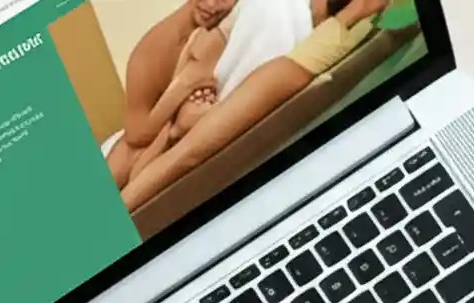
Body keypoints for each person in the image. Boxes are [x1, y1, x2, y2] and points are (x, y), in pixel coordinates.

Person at [120, 0, 392, 211]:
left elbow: (186, 130)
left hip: (203, 112)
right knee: (128, 155)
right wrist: (182, 105)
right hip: (167, 122)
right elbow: (177, 110)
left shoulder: (311, 32)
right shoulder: (163, 47)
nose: (212, 6)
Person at [106, 0, 240, 189]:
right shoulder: (152, 52)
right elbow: (135, 135)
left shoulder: (234, 24)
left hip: (179, 122)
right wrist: (183, 87)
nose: (211, 4)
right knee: (128, 152)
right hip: (142, 136)